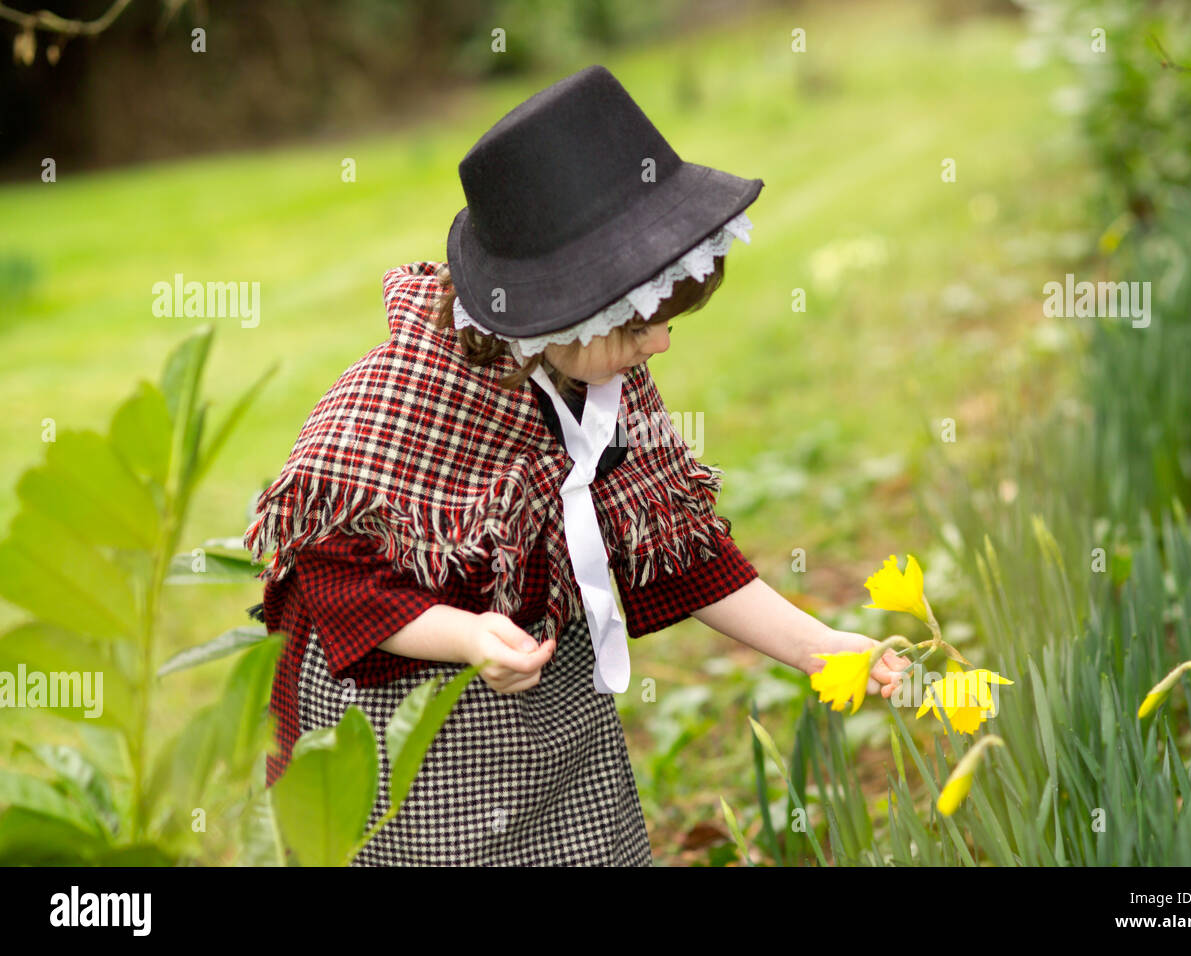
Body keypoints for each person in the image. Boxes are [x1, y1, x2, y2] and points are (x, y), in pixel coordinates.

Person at [244, 64, 907, 866]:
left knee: (582, 844)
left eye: (668, 318)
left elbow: (682, 552)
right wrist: (462, 634)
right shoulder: (399, 401)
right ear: (552, 311)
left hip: (541, 690)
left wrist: (814, 646)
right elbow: (333, 579)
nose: (659, 344)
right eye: (639, 327)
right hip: (402, 713)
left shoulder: (601, 377)